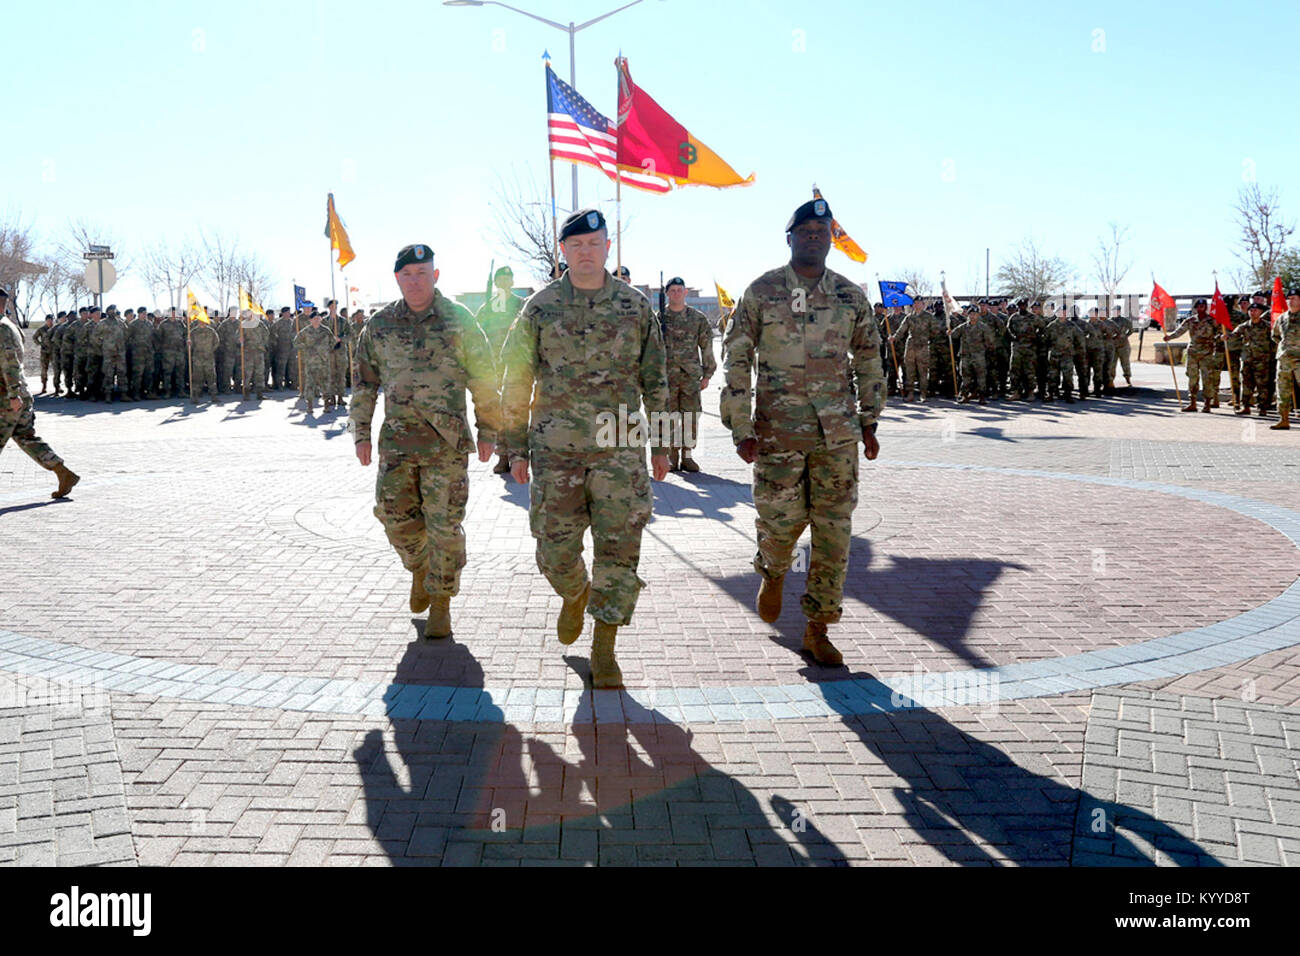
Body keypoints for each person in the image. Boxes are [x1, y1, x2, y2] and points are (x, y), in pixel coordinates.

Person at [500, 209, 671, 689]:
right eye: (576, 245)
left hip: (619, 446)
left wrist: (665, 447)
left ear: (608, 247)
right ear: (563, 250)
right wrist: (514, 448)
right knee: (554, 552)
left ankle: (605, 648)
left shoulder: (635, 307)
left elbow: (656, 378)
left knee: (620, 549)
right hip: (555, 450)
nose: (586, 252)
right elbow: (516, 379)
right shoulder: (540, 307)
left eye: (594, 243)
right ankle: (575, 594)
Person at [721, 198, 884, 667]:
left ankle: (818, 628)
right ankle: (772, 571)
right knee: (780, 525)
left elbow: (870, 358)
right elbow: (736, 357)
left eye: (822, 229)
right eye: (805, 229)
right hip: (778, 435)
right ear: (789, 237)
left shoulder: (851, 297)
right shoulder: (763, 291)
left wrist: (870, 419)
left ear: (831, 239)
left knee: (834, 533)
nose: (815, 234)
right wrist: (740, 426)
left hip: (837, 436)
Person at [350, 243, 501, 637]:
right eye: (407, 275)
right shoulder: (379, 327)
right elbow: (364, 383)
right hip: (397, 445)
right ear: (397, 279)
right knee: (394, 519)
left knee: (445, 527)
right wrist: (360, 433)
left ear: (435, 275)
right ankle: (419, 567)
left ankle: (441, 603)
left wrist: (489, 429)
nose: (415, 282)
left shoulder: (459, 320)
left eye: (422, 273)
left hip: (446, 447)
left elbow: (484, 377)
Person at [0, 287, 79, 497]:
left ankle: (63, 473)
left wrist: (13, 394)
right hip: (17, 395)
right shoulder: (11, 326)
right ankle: (63, 473)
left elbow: (10, 363)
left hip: (8, 398)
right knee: (26, 437)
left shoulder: (2, 328)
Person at [658, 275, 715, 472]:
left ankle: (688, 456)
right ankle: (672, 456)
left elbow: (706, 346)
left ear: (685, 292)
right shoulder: (658, 319)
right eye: (672, 291)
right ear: (666, 294)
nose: (676, 294)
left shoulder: (697, 318)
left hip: (690, 377)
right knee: (670, 417)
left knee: (691, 417)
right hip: (667, 377)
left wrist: (708, 374)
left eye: (679, 290)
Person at [474, 267, 521, 475]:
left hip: (517, 366)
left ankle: (519, 455)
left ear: (512, 282)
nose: (504, 283)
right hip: (494, 368)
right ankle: (503, 456)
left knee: (518, 412)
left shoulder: (522, 305)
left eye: (507, 279)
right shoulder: (487, 308)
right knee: (499, 413)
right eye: (499, 280)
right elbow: (476, 337)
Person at [1163, 298, 1220, 413]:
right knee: (1192, 378)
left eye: (1203, 306)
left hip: (1207, 353)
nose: (1201, 308)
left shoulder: (1212, 321)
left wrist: (1220, 338)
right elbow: (1179, 331)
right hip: (1193, 353)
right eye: (1199, 306)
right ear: (1195, 308)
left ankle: (1207, 404)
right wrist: (1169, 337)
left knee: (1207, 378)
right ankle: (1192, 403)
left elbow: (1219, 333)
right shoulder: (1190, 320)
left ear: (1206, 307)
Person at [890, 299, 938, 401]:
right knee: (909, 371)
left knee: (923, 371)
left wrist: (927, 338)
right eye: (915, 303)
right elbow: (902, 330)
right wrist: (894, 338)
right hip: (911, 346)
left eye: (919, 303)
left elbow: (936, 331)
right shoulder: (909, 317)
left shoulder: (929, 317)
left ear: (923, 304)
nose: (917, 305)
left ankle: (923, 394)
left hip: (923, 347)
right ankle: (910, 393)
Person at [1271, 287, 1300, 430]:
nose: (1290, 300)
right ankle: (1283, 419)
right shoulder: (1282, 318)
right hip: (1284, 360)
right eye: (1289, 298)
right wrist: (1286, 349)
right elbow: (1275, 335)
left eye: (1294, 298)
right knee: (1282, 390)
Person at [294, 309, 333, 412]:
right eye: (314, 319)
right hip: (310, 362)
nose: (316, 320)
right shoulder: (305, 331)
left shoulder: (326, 330)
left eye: (318, 318)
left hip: (323, 361)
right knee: (310, 383)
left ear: (320, 319)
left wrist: (325, 350)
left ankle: (326, 404)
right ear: (310, 320)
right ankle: (310, 405)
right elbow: (296, 343)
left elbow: (333, 343)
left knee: (325, 383)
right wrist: (306, 347)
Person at [33, 314, 55, 394]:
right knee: (44, 370)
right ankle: (44, 386)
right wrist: (40, 344)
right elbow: (34, 337)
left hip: (54, 352)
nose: (50, 322)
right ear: (46, 320)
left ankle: (57, 387)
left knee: (56, 370)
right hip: (44, 352)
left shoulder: (56, 328)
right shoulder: (42, 329)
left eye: (51, 320)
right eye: (48, 320)